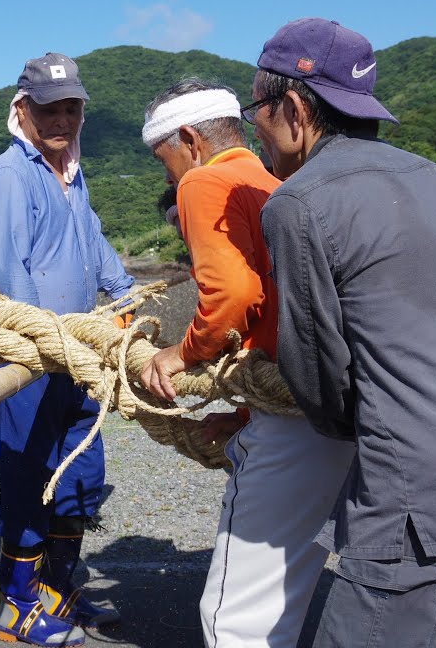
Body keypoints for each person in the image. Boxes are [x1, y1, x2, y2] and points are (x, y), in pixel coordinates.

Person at [253, 19, 436, 647]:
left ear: (293, 110)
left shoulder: (298, 202)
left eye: (258, 107)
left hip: (428, 492)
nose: (257, 125)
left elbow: (316, 370)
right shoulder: (430, 174)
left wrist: (359, 429)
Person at [136, 77, 355, 647]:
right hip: (324, 404)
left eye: (164, 160)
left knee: (236, 618)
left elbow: (234, 295)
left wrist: (182, 353)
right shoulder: (272, 181)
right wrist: (244, 413)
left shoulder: (204, 181)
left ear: (190, 140)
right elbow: (282, 308)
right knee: (289, 580)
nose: (168, 178)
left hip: (291, 427)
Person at [0, 53, 134, 646]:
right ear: (23, 110)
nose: (62, 119)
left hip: (76, 355)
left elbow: (93, 239)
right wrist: (52, 341)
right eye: (49, 108)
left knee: (80, 474)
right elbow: (10, 273)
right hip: (26, 359)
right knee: (27, 479)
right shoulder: (10, 176)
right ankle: (16, 605)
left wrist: (125, 293)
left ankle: (57, 591)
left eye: (71, 108)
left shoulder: (72, 173)